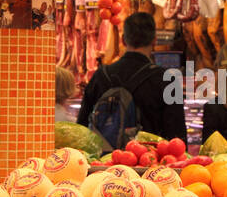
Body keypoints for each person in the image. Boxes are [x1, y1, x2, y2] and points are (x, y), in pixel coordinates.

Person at [77, 12, 186, 142]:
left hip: (105, 159)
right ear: (154, 40)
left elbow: (81, 128)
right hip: (150, 159)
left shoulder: (101, 76)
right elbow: (177, 135)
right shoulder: (167, 80)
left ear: (123, 40)